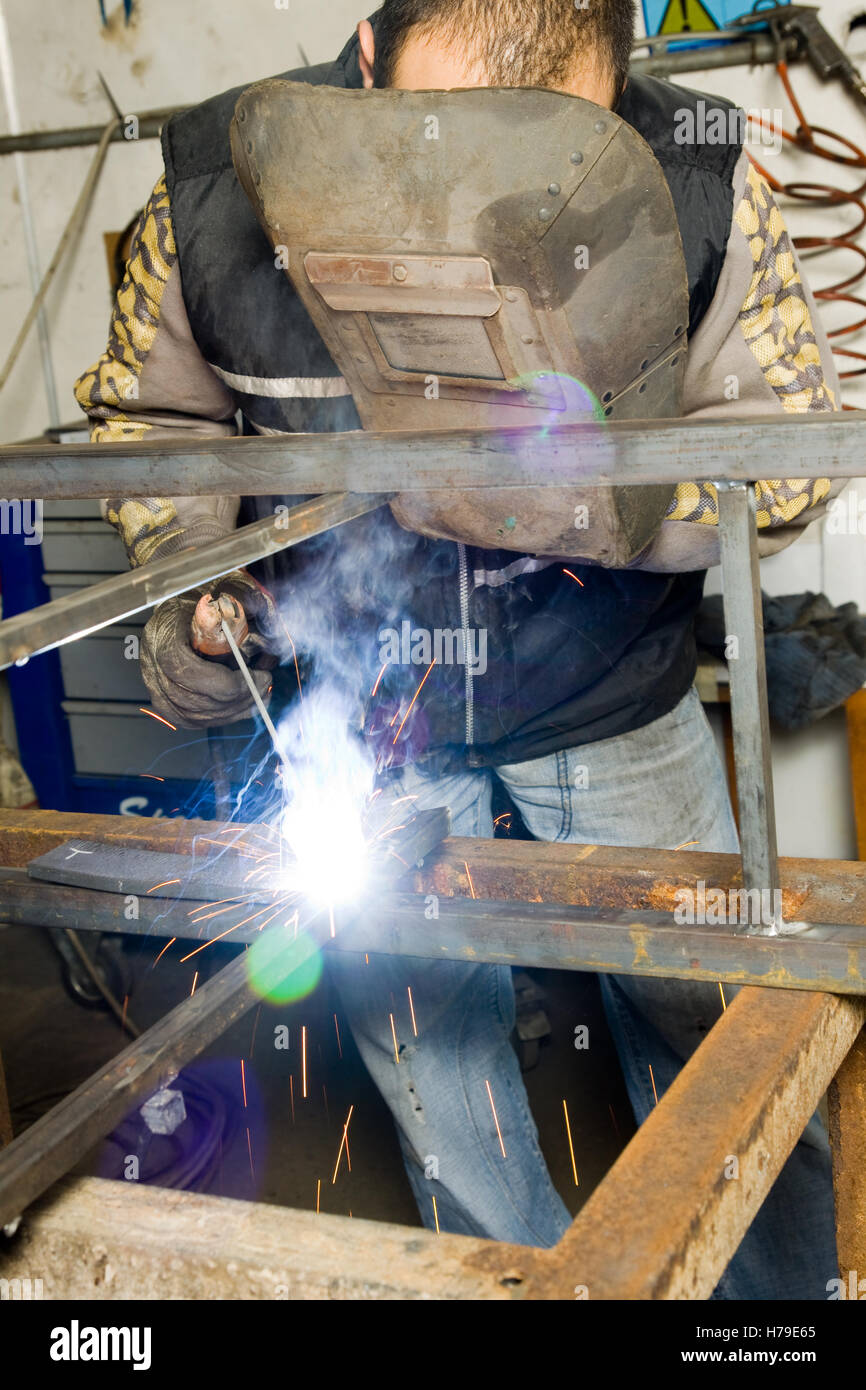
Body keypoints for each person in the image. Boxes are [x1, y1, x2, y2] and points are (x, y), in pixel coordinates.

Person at [75, 2, 842, 1298]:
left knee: (718, 1022)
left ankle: (768, 1321)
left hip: (609, 699)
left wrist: (568, 501)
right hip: (371, 713)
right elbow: (142, 426)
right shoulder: (213, 191)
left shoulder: (698, 180)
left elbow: (784, 467)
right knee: (439, 1071)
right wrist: (196, 592)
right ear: (370, 55)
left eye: (544, 153)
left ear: (615, 87)